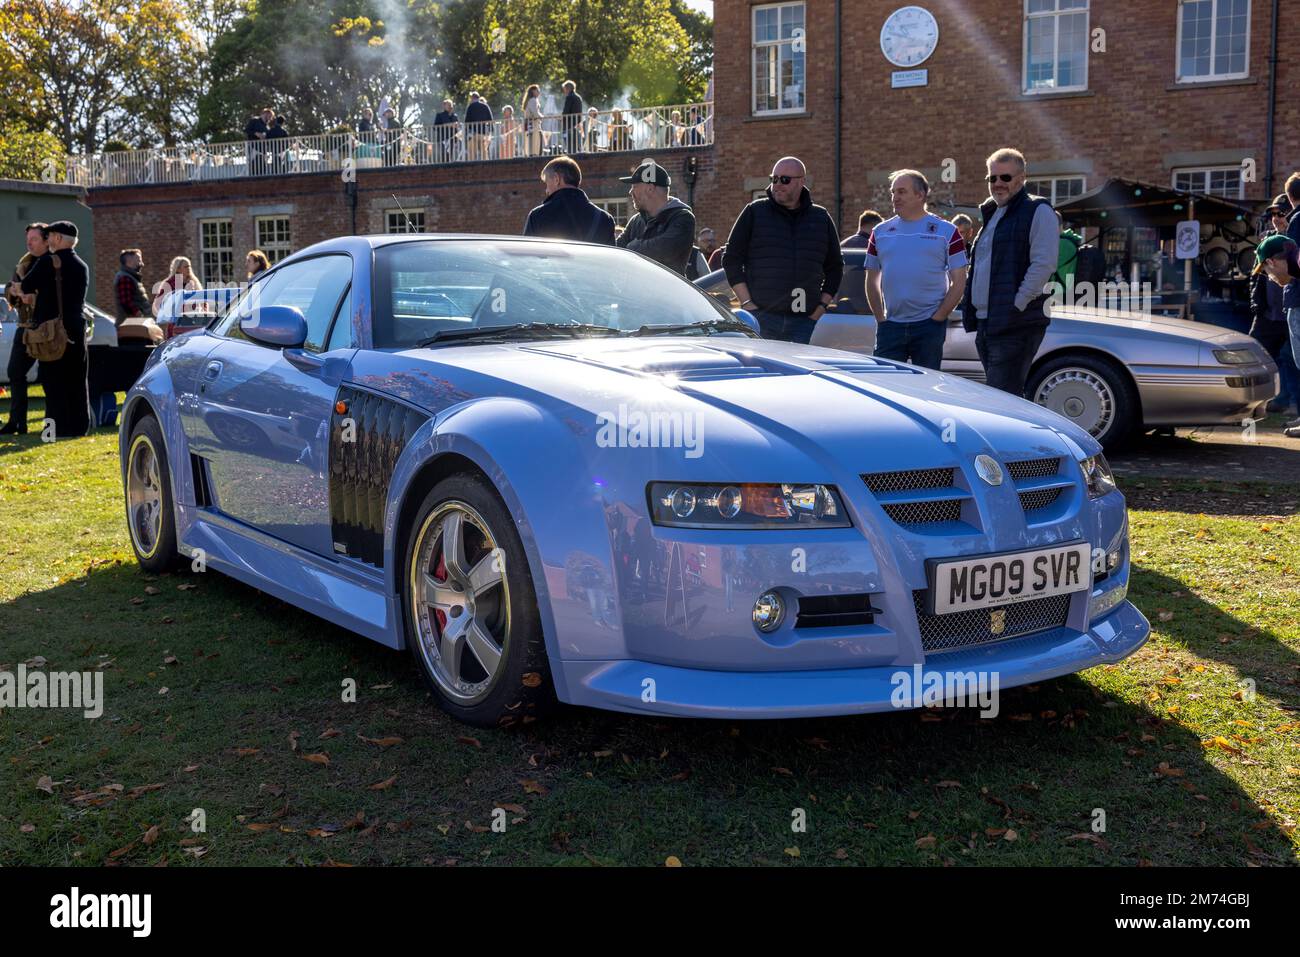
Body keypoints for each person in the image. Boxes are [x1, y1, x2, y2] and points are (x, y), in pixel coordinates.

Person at [960, 147, 1058, 395]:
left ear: (1022, 178)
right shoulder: (993, 214)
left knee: (1000, 399)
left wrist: (1017, 304)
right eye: (992, 178)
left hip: (1015, 323)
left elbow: (1044, 263)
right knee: (1006, 399)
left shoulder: (1037, 210)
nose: (997, 183)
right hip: (988, 322)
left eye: (1005, 177)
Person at [722, 156, 843, 343]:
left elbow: (835, 267)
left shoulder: (820, 217)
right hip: (762, 317)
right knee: (763, 371)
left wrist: (820, 309)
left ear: (802, 181)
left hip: (804, 320)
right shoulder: (755, 212)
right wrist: (747, 303)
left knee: (797, 371)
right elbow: (731, 258)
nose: (777, 184)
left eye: (784, 180)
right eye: (774, 179)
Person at [864, 170, 968, 370]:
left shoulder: (947, 231)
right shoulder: (880, 232)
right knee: (886, 389)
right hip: (890, 327)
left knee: (926, 391)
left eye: (902, 192)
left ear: (920, 195)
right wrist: (881, 318)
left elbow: (959, 281)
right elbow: (871, 279)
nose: (895, 197)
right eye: (893, 192)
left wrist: (939, 317)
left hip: (928, 327)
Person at [14, 222, 90, 438]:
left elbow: (27, 286)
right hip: (76, 327)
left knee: (52, 382)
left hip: (52, 331)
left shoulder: (48, 261)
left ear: (57, 238)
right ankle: (79, 428)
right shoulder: (81, 265)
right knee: (77, 380)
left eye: (49, 237)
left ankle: (52, 431)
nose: (47, 241)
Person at [0, 222, 47, 435]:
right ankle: (17, 422)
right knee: (14, 372)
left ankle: (53, 424)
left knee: (49, 375)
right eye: (28, 240)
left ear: (46, 240)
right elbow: (12, 292)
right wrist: (14, 292)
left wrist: (34, 297)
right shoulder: (24, 263)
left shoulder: (51, 262)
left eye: (34, 239)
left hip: (47, 328)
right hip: (24, 325)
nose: (29, 244)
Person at [615, 160, 697, 275]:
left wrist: (631, 247)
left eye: (634, 186)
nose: (630, 191)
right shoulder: (636, 221)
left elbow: (662, 251)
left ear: (650, 189)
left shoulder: (683, 218)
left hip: (667, 291)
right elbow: (616, 250)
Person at [522, 156, 616, 244]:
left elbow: (528, 257)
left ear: (556, 179)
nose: (546, 190)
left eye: (547, 183)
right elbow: (611, 259)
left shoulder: (537, 216)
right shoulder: (605, 219)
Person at [113, 249, 152, 323]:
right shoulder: (125, 278)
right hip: (131, 326)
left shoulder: (131, 277)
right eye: (139, 260)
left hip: (134, 324)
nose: (142, 264)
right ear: (129, 262)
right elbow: (126, 302)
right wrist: (140, 316)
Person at [465, 92, 493, 161]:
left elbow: (467, 121)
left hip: (473, 134)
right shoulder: (485, 106)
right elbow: (490, 119)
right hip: (483, 133)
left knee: (472, 153)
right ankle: (486, 166)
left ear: (472, 98)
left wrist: (466, 132)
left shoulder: (470, 107)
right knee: (484, 152)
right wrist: (490, 131)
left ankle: (471, 167)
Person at [244, 107, 273, 175]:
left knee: (262, 170)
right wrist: (256, 133)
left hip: (262, 151)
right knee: (253, 169)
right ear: (265, 114)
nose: (270, 118)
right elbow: (247, 130)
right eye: (269, 116)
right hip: (253, 149)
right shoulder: (254, 120)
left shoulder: (267, 126)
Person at [561, 81, 583, 154]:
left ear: (568, 88)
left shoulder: (569, 97)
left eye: (564, 89)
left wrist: (561, 118)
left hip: (568, 125)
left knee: (570, 148)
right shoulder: (578, 97)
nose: (564, 91)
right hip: (576, 125)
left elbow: (566, 111)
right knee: (576, 146)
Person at [522, 84, 543, 156]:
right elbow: (536, 114)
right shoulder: (533, 100)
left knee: (530, 145)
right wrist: (543, 117)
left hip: (529, 125)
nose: (539, 92)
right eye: (537, 90)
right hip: (534, 126)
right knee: (537, 146)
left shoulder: (529, 101)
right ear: (533, 91)